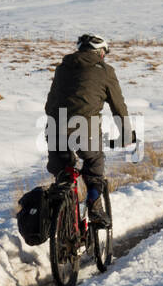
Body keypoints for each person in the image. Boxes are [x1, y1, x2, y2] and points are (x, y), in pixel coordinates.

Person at [45, 33, 134, 223]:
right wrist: (127, 133)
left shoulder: (62, 68)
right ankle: (95, 209)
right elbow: (118, 106)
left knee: (63, 173)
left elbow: (49, 104)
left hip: (55, 127)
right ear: (100, 52)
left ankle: (61, 220)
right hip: (85, 129)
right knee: (94, 164)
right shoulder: (105, 71)